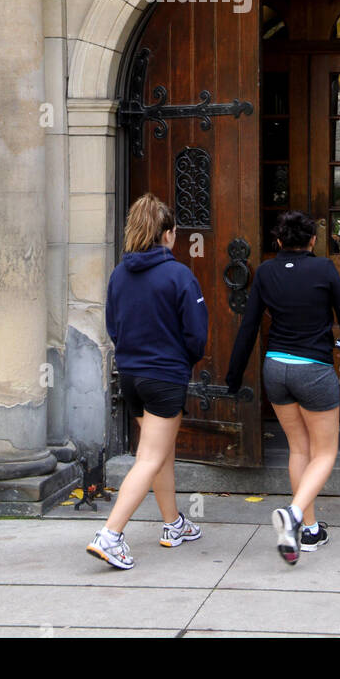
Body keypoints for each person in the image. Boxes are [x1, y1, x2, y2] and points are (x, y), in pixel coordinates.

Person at [225, 209, 340, 565]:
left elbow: (249, 326)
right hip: (313, 370)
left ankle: (310, 530)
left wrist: (233, 376)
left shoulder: (266, 271)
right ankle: (295, 514)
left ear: (280, 241)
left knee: (299, 449)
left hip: (276, 369)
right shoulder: (324, 269)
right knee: (325, 453)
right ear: (312, 241)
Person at [87, 192, 208, 571]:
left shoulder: (118, 274)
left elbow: (113, 327)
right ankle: (110, 535)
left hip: (132, 376)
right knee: (151, 457)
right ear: (168, 234)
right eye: (174, 232)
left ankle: (173, 524)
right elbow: (197, 336)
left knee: (162, 453)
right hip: (165, 376)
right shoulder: (179, 275)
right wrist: (182, 361)